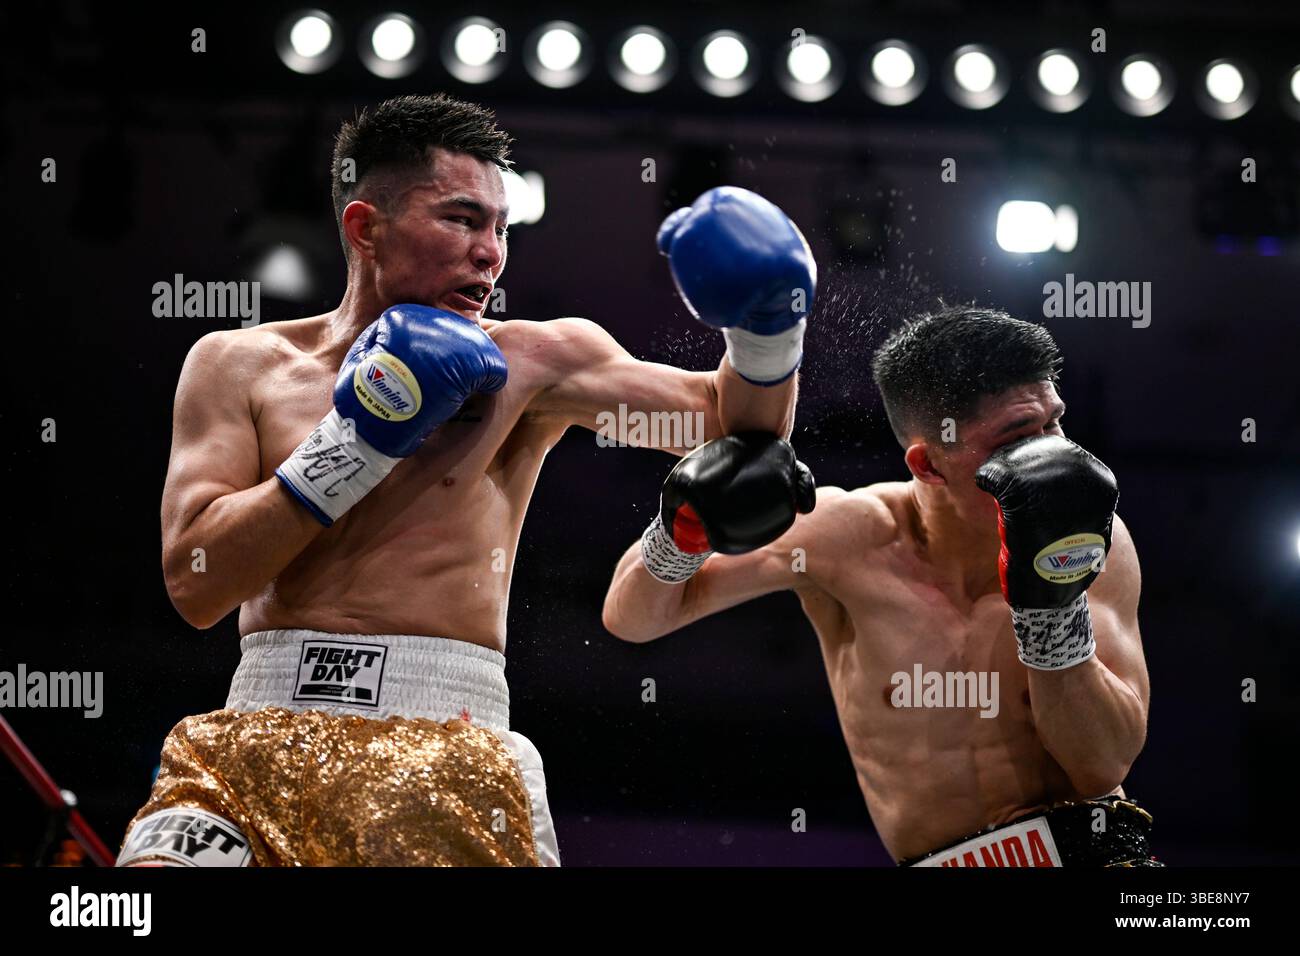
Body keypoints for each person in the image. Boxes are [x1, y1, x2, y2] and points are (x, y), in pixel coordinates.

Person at [115, 93, 815, 866]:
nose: (492, 253)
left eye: (501, 228)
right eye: (461, 220)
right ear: (364, 227)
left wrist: (765, 331)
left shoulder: (535, 362)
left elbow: (735, 430)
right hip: (250, 737)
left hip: (447, 744)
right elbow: (196, 583)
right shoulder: (238, 364)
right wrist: (356, 441)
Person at [603, 306, 1160, 867]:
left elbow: (1103, 767)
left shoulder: (1091, 538)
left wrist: (1052, 610)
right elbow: (634, 617)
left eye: (1053, 424)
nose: (1051, 454)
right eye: (1016, 438)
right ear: (928, 464)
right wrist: (679, 536)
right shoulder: (848, 537)